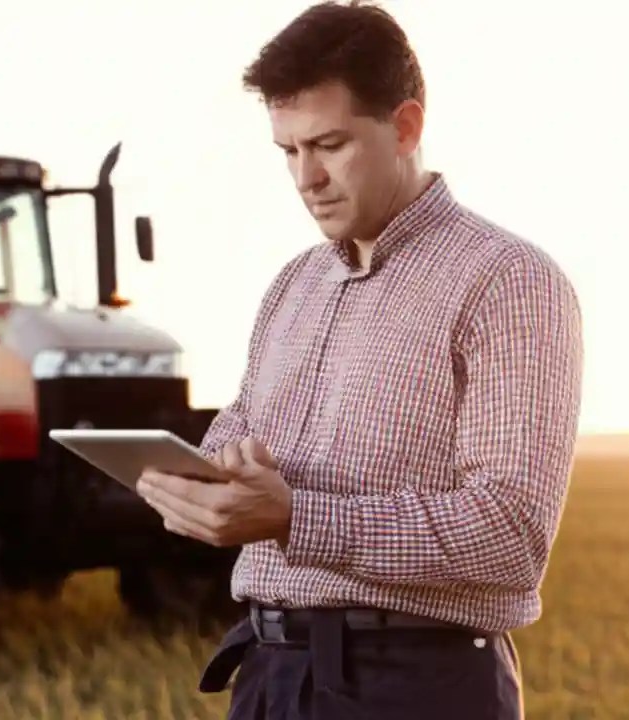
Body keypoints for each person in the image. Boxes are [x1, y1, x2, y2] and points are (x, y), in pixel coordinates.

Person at [133, 2, 584, 718]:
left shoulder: (508, 279)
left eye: (329, 144)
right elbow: (238, 428)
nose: (305, 176)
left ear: (406, 127)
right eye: (288, 151)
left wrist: (292, 518)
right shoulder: (292, 283)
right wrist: (205, 484)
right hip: (267, 672)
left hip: (417, 686)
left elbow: (510, 536)